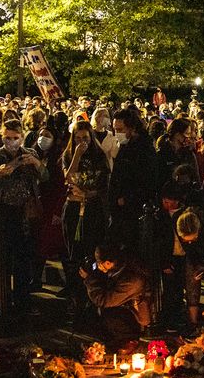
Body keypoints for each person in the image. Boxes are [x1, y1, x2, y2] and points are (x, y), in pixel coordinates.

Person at [0, 119, 48, 313]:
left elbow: (45, 177)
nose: (11, 142)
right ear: (2, 137)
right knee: (1, 258)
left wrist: (36, 163)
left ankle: (22, 302)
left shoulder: (30, 154)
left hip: (25, 213)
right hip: (1, 212)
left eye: (15, 138)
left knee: (23, 259)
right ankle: (1, 302)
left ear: (22, 138)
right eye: (7, 138)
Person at [62, 120, 111, 310]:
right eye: (78, 138)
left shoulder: (99, 156)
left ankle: (93, 295)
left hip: (93, 210)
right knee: (74, 252)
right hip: (74, 209)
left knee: (91, 252)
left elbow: (104, 186)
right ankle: (76, 297)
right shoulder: (69, 155)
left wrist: (88, 194)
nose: (82, 141)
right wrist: (76, 155)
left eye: (85, 137)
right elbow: (68, 177)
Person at [81, 243, 152, 346]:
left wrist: (89, 279)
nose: (98, 266)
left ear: (109, 263)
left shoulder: (132, 280)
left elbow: (103, 300)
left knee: (107, 315)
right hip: (127, 306)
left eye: (100, 263)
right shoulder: (121, 264)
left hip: (138, 318)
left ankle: (128, 340)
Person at [110, 108, 159, 242]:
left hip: (135, 211)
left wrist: (127, 198)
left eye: (120, 130)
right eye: (115, 129)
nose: (117, 133)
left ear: (132, 128)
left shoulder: (144, 150)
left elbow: (148, 181)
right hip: (122, 210)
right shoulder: (126, 146)